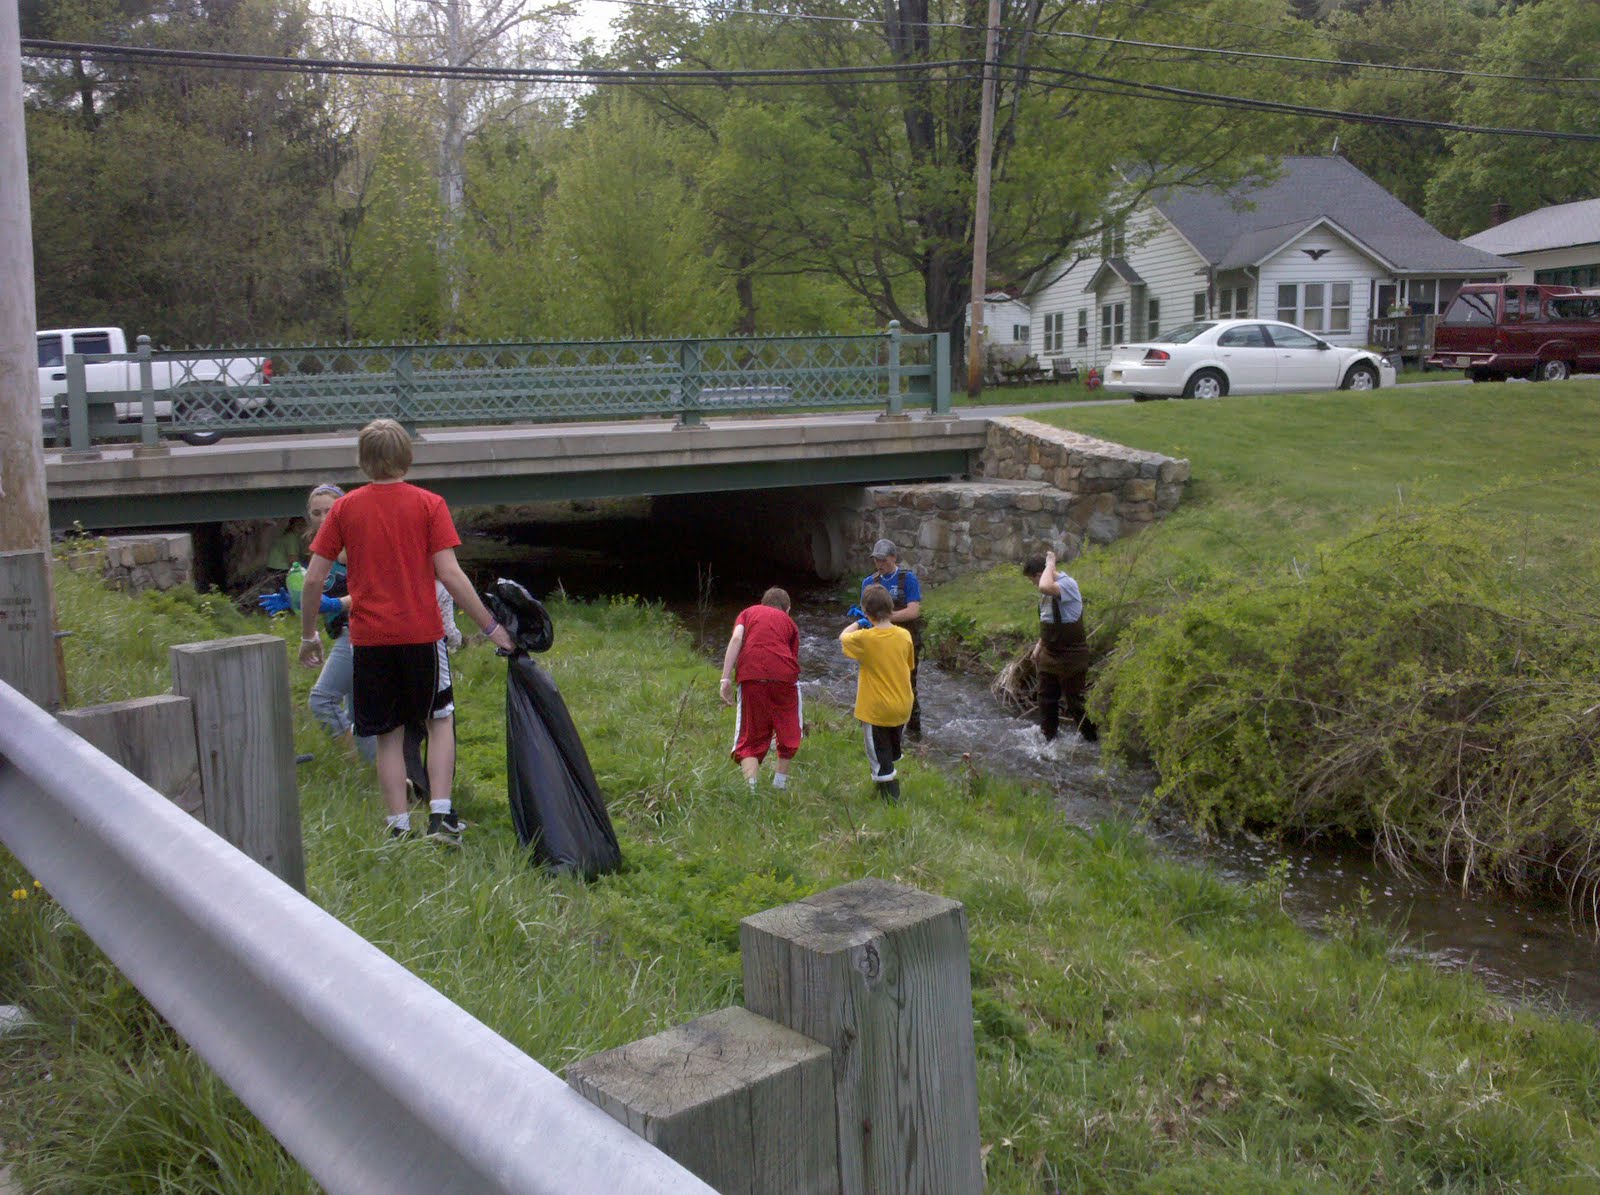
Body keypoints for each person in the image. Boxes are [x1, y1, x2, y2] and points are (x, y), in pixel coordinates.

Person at [299, 419, 515, 845]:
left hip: (370, 641)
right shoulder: (429, 504)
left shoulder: (344, 509)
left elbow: (312, 581)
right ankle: (440, 818)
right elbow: (450, 575)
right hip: (421, 636)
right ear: (407, 458)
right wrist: (492, 628)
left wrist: (309, 634)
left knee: (387, 735)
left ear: (362, 463)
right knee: (439, 721)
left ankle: (398, 825)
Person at [719, 587, 802, 792]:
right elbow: (792, 658)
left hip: (751, 676)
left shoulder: (748, 613)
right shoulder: (789, 622)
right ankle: (779, 786)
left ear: (762, 603)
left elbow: (737, 638)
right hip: (784, 678)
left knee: (749, 735)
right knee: (788, 729)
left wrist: (725, 678)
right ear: (787, 609)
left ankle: (753, 792)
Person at [840, 583, 915, 802]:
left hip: (876, 709)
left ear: (866, 612)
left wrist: (858, 623)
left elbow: (843, 638)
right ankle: (885, 778)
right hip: (902, 706)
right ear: (891, 608)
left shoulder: (865, 639)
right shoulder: (905, 636)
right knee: (889, 749)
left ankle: (890, 798)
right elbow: (908, 665)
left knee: (878, 755)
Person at [1022, 549, 1098, 743]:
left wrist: (1050, 564)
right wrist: (1039, 647)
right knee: (1046, 699)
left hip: (1072, 655)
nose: (1034, 584)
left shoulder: (1067, 584)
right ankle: (1050, 741)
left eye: (1033, 580)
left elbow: (1045, 586)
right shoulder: (1046, 593)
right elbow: (1050, 622)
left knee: (1076, 703)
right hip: (1050, 653)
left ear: (1040, 575)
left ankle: (1092, 740)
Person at [860, 538, 924, 739]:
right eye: (876, 560)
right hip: (878, 642)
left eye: (883, 560)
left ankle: (914, 730)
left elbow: (914, 611)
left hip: (905, 641)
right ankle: (874, 724)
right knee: (875, 681)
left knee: (907, 683)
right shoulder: (869, 583)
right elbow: (865, 613)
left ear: (893, 558)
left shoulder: (908, 579)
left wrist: (886, 618)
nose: (879, 565)